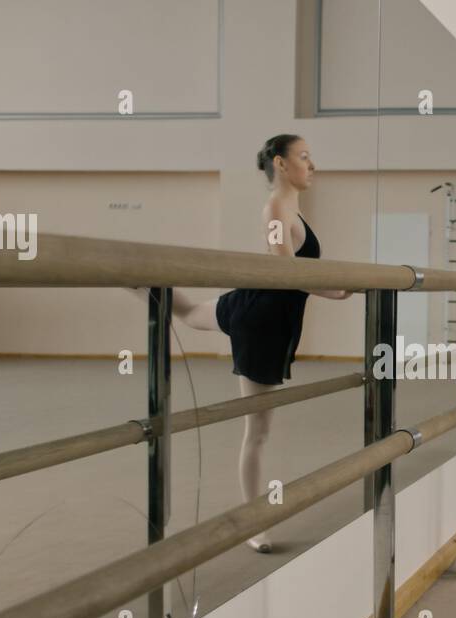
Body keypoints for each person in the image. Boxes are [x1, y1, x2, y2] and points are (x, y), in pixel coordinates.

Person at [129, 134, 351, 552]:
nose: (312, 164)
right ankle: (253, 524)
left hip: (263, 311)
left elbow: (293, 272)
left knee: (192, 315)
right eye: (304, 157)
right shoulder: (274, 208)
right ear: (281, 165)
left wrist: (331, 289)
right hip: (259, 320)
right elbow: (286, 269)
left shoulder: (292, 208)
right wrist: (332, 289)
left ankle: (143, 284)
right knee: (259, 430)